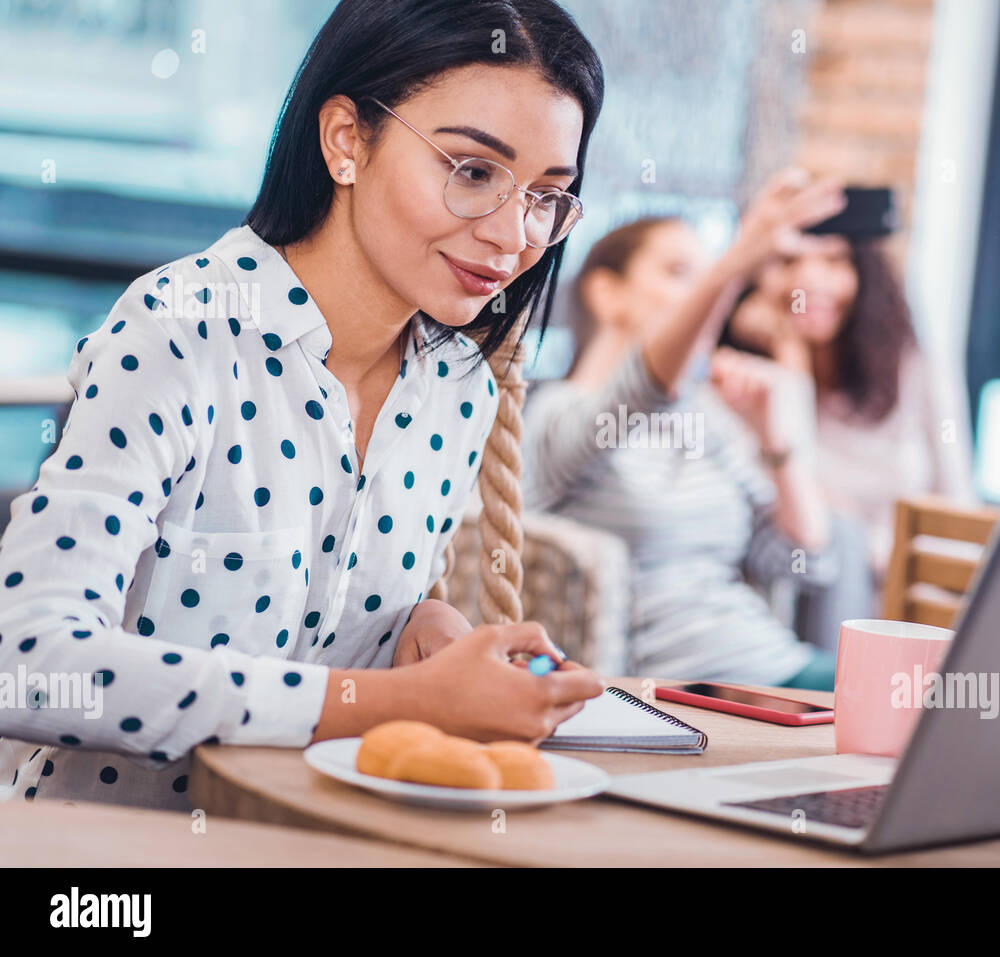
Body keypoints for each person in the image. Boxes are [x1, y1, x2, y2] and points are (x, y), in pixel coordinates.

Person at [0, 0, 608, 811]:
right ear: (346, 141)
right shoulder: (183, 332)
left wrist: (429, 636)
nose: (512, 236)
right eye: (472, 172)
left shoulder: (460, 389)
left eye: (545, 196)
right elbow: (31, 664)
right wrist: (406, 701)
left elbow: (347, 610)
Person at [522, 170, 852, 692]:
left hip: (772, 666)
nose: (704, 298)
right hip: (683, 687)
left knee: (933, 697)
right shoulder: (558, 417)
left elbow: (806, 562)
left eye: (707, 277)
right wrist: (736, 262)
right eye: (680, 272)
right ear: (608, 294)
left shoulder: (707, 424)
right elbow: (642, 386)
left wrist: (774, 437)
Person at [722, 200, 974, 643]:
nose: (811, 280)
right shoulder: (747, 382)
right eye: (788, 260)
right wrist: (791, 363)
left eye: (835, 261)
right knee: (839, 534)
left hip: (910, 610)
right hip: (796, 610)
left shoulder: (917, 370)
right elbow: (803, 517)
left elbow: (958, 512)